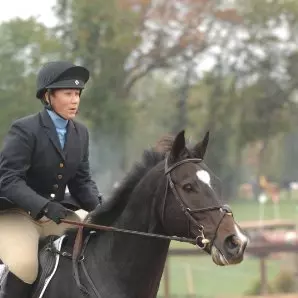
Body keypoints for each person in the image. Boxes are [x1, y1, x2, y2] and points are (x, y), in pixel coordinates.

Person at [0, 61, 103, 297]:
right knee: (26, 267)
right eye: (68, 93)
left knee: (98, 245)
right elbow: (9, 180)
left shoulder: (80, 133)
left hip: (56, 215)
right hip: (16, 215)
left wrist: (103, 208)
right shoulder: (25, 129)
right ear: (48, 96)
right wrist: (44, 206)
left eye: (77, 94)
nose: (75, 100)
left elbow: (81, 182)